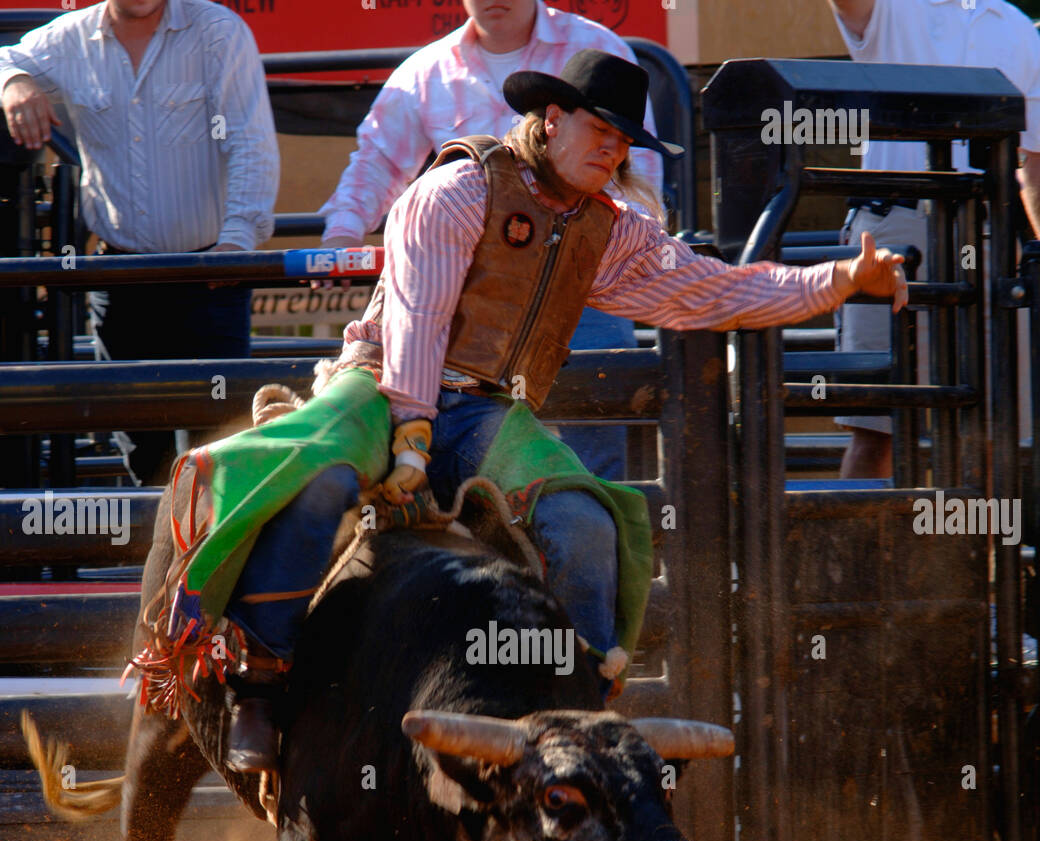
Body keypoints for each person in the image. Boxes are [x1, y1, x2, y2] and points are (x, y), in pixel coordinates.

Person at [160, 50, 906, 772]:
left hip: (485, 407)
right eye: (599, 131)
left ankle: (579, 709)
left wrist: (839, 279)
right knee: (314, 480)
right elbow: (418, 317)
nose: (610, 151)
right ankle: (257, 682)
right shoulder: (456, 191)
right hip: (379, 381)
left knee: (583, 520)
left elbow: (710, 290)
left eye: (622, 141)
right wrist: (412, 433)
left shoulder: (606, 231)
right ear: (551, 120)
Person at [319, 0, 666, 484]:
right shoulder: (426, 71)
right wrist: (342, 233)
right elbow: (377, 159)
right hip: (469, 303)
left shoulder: (597, 49)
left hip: (576, 284)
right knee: (473, 441)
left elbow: (636, 176)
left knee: (590, 436)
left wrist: (632, 253)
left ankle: (576, 526)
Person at [0, 0, 279, 485]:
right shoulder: (72, 36)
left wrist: (237, 242)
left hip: (211, 273)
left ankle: (204, 558)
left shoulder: (217, 31)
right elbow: (6, 58)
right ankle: (157, 554)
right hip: (122, 276)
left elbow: (250, 141)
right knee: (139, 443)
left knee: (220, 445)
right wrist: (13, 82)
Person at [827, 0, 1040, 478]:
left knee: (989, 430)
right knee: (877, 425)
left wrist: (1036, 248)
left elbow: (1037, 163)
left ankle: (971, 554)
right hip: (895, 227)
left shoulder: (1018, 28)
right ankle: (861, 554)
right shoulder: (889, 7)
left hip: (989, 231)